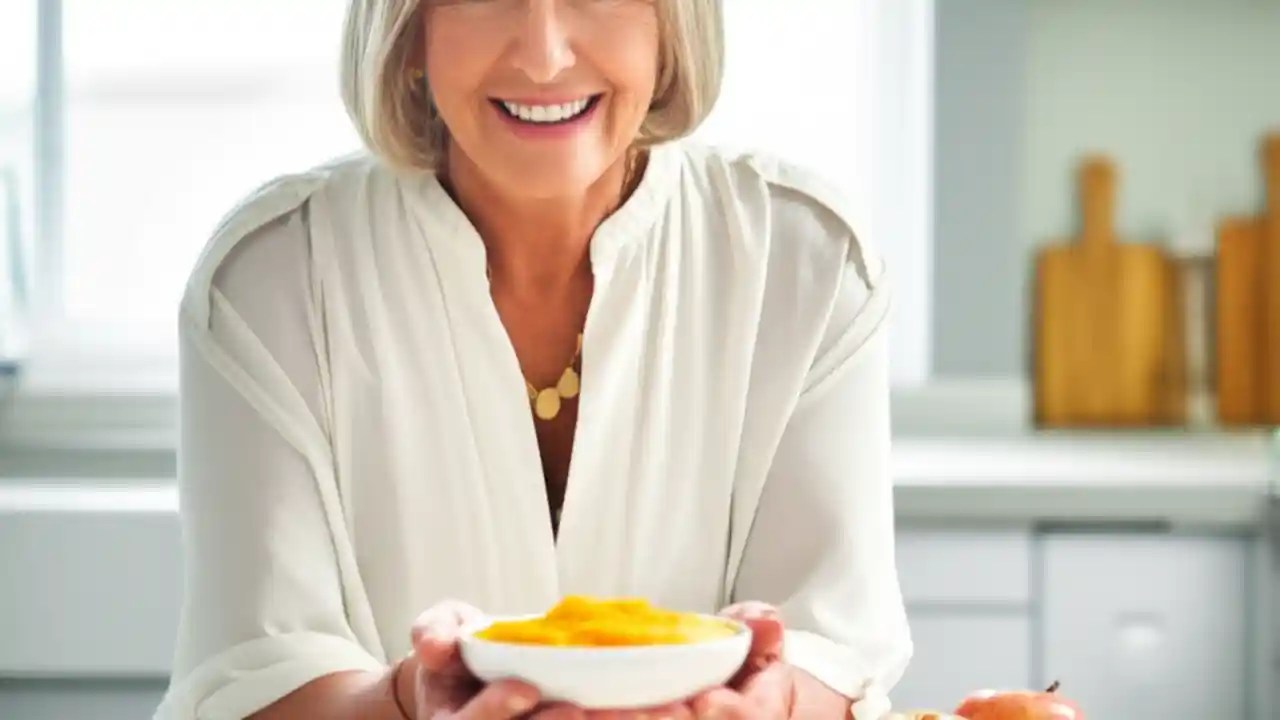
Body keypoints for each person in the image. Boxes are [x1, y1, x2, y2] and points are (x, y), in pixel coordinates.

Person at [155, 0, 912, 718]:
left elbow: (835, 651)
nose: (545, 57)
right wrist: (405, 701)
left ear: (669, 23)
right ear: (410, 28)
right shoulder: (273, 278)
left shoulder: (807, 264)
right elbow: (255, 675)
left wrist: (770, 700)